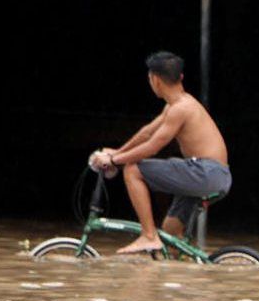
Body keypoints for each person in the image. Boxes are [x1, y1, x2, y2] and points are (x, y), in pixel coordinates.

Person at [92, 51, 230, 254]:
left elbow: (153, 146)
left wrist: (115, 160)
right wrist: (117, 152)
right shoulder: (177, 104)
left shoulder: (180, 109)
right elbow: (147, 133)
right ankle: (189, 268)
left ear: (154, 79)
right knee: (170, 233)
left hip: (205, 172)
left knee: (133, 169)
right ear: (180, 77)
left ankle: (148, 235)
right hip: (214, 175)